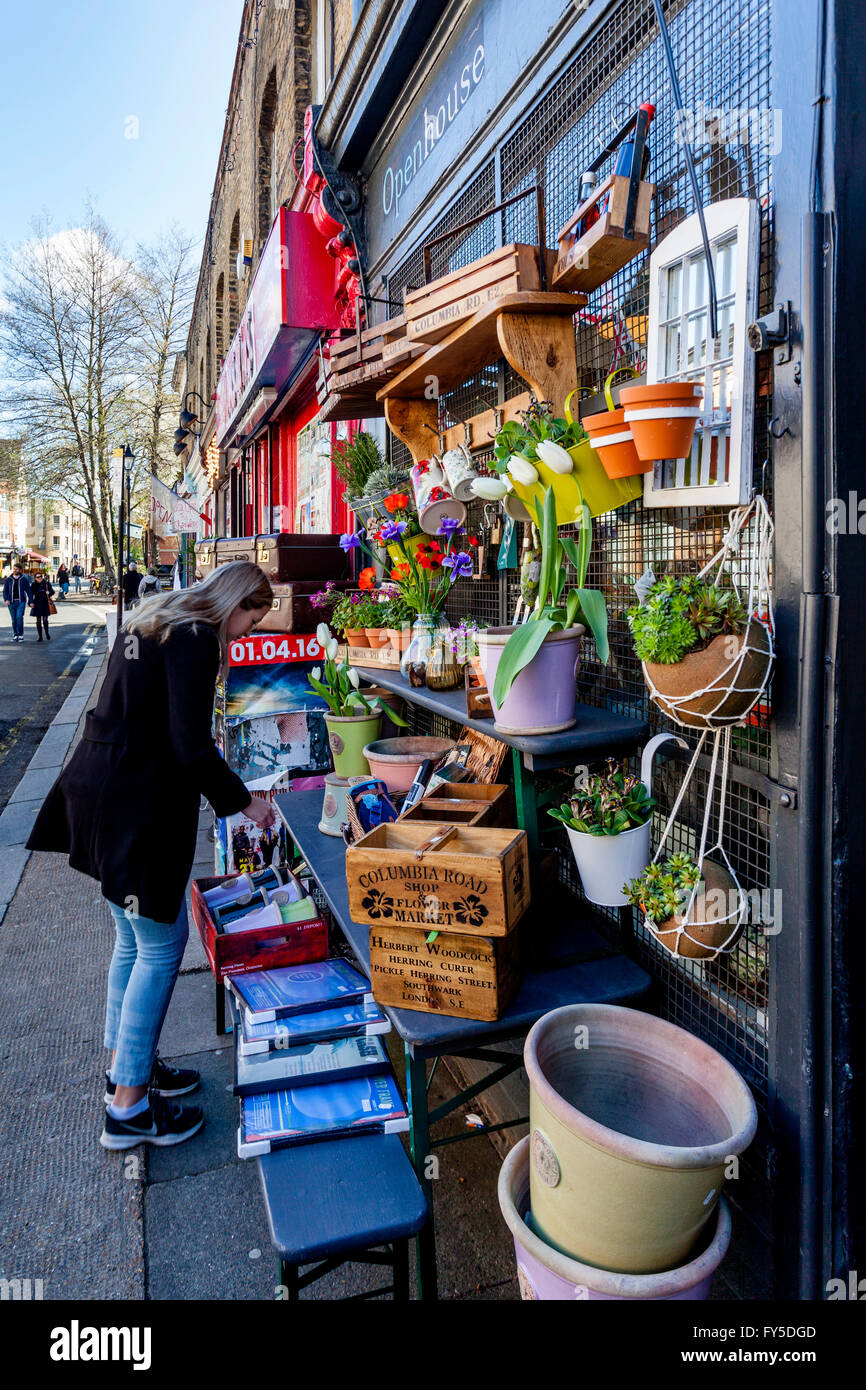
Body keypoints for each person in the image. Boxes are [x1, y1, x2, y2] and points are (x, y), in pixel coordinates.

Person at [27, 561, 276, 1150]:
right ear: (235, 602)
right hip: (136, 806)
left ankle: (126, 1069)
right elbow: (190, 747)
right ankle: (129, 1108)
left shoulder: (157, 619)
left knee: (132, 941)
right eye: (250, 618)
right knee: (161, 949)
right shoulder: (195, 639)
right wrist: (247, 804)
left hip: (101, 792)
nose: (243, 633)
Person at [3, 564, 33, 642]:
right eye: (14, 569)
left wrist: (31, 601)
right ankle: (15, 635)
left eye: (16, 569)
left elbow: (28, 590)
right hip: (11, 602)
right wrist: (6, 599)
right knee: (14, 620)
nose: (14, 570)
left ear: (20, 570)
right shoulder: (8, 579)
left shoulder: (23, 579)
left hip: (21, 602)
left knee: (19, 617)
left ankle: (20, 635)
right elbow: (5, 591)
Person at [29, 569, 55, 641]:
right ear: (35, 578)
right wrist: (30, 602)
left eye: (40, 576)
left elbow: (53, 592)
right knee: (38, 620)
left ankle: (47, 633)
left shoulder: (47, 584)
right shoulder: (34, 585)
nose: (39, 578)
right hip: (37, 604)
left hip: (45, 604)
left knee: (45, 620)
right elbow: (30, 594)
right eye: (37, 577)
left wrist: (48, 593)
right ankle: (40, 636)